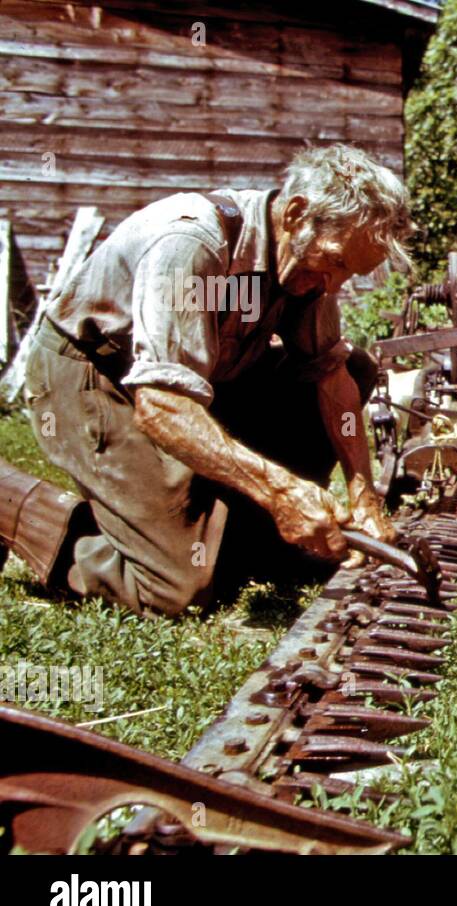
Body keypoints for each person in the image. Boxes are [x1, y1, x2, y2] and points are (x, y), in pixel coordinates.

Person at [0, 144, 412, 615]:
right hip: (96, 376)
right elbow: (162, 405)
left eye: (350, 273)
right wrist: (279, 489)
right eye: (336, 262)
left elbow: (331, 374)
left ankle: (254, 539)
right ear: (297, 214)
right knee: (175, 586)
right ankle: (12, 500)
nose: (334, 285)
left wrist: (363, 493)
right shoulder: (193, 244)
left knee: (353, 367)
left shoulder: (302, 262)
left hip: (196, 383)